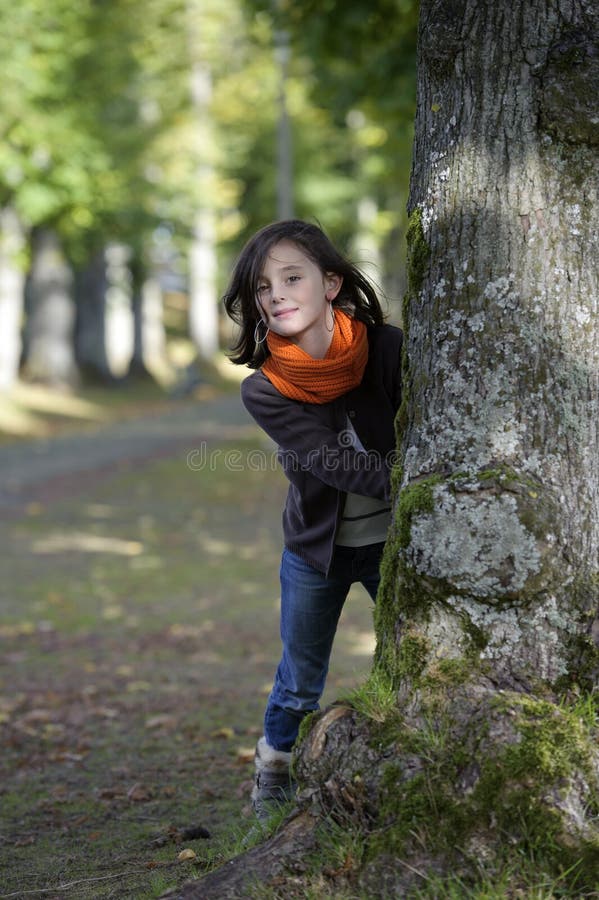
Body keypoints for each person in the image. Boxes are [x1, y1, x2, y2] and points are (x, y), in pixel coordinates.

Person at [223, 219, 403, 820]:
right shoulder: (266, 389)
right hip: (314, 552)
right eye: (262, 287)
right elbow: (330, 462)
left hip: (393, 545)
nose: (274, 294)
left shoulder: (387, 350)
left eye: (291, 277)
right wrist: (416, 485)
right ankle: (273, 771)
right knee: (300, 680)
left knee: (416, 652)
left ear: (331, 284)